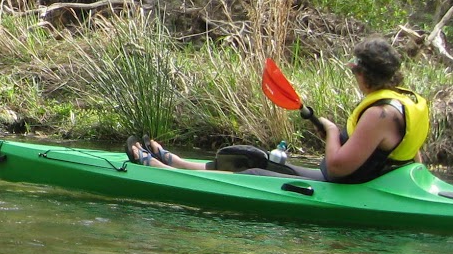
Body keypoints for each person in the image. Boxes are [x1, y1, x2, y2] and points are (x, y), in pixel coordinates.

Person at [128, 38, 430, 183]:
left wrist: (331, 133)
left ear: (366, 74)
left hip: (345, 185)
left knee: (255, 172)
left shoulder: (381, 114)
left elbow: (338, 167)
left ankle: (162, 172)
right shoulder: (403, 102)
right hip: (358, 180)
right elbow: (408, 151)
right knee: (248, 157)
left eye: (354, 70)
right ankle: (178, 163)